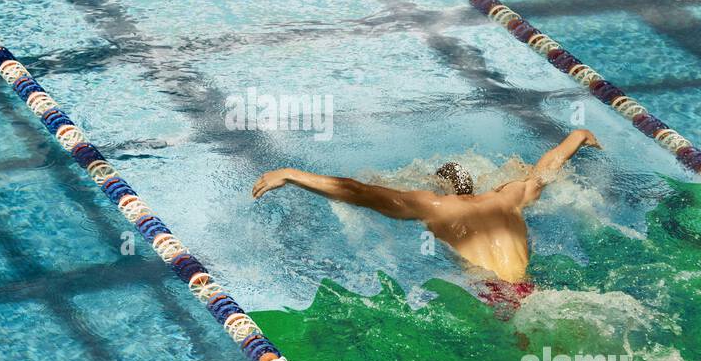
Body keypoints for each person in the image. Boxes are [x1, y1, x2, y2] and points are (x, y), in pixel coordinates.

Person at [251, 129, 602, 316]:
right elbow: (547, 168)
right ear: (473, 185)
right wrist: (579, 136)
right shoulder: (508, 196)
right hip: (533, 290)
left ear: (441, 186)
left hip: (495, 296)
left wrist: (291, 174)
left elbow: (357, 191)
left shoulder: (432, 205)